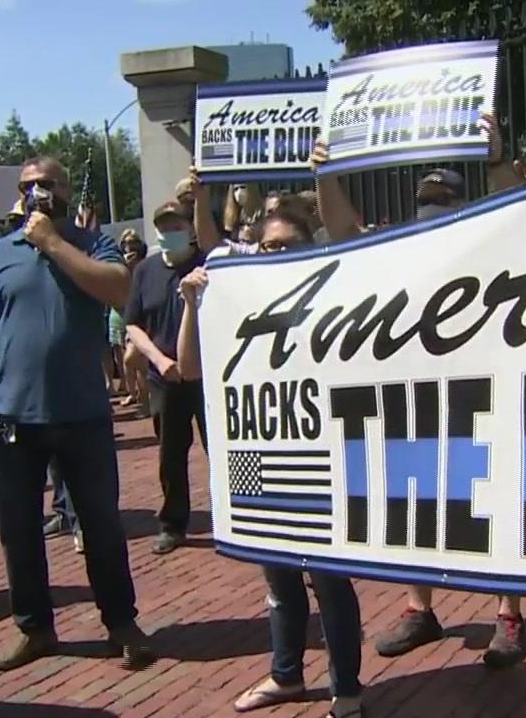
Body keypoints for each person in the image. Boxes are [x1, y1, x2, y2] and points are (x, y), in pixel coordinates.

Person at [309, 125, 526, 669]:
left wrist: (500, 157)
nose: (436, 218)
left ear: (464, 205)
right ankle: (420, 608)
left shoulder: (490, 239)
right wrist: (325, 173)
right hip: (413, 396)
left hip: (481, 391)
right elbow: (344, 230)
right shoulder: (399, 246)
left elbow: (525, 211)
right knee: (414, 500)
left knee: (492, 497)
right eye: (428, 208)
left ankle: (508, 614)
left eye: (445, 206)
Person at [0, 156, 152, 671]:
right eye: (29, 185)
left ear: (64, 192)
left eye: (48, 184)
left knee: (100, 524)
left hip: (81, 413)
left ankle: (121, 622)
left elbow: (118, 290)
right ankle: (33, 627)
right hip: (10, 416)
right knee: (18, 529)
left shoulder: (91, 244)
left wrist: (53, 243)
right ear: (18, 194)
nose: (39, 191)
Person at [176, 209, 366, 718]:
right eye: (268, 246)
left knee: (329, 579)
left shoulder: (334, 297)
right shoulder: (231, 297)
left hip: (320, 455)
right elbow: (189, 368)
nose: (276, 254)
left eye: (289, 244)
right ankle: (286, 675)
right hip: (257, 452)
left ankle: (346, 689)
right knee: (277, 577)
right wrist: (195, 304)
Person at [126, 198, 209, 555]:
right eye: (164, 228)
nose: (169, 234)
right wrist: (158, 360)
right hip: (166, 377)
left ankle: (233, 516)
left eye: (176, 227)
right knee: (170, 455)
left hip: (206, 377)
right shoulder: (145, 271)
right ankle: (173, 523)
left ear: (190, 229)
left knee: (218, 450)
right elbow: (133, 324)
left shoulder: (206, 263)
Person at [118, 230, 150, 411]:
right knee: (133, 364)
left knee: (133, 359)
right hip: (128, 317)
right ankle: (144, 401)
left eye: (133, 243)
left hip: (143, 319)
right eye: (126, 244)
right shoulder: (123, 267)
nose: (129, 247)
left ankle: (147, 401)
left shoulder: (145, 266)